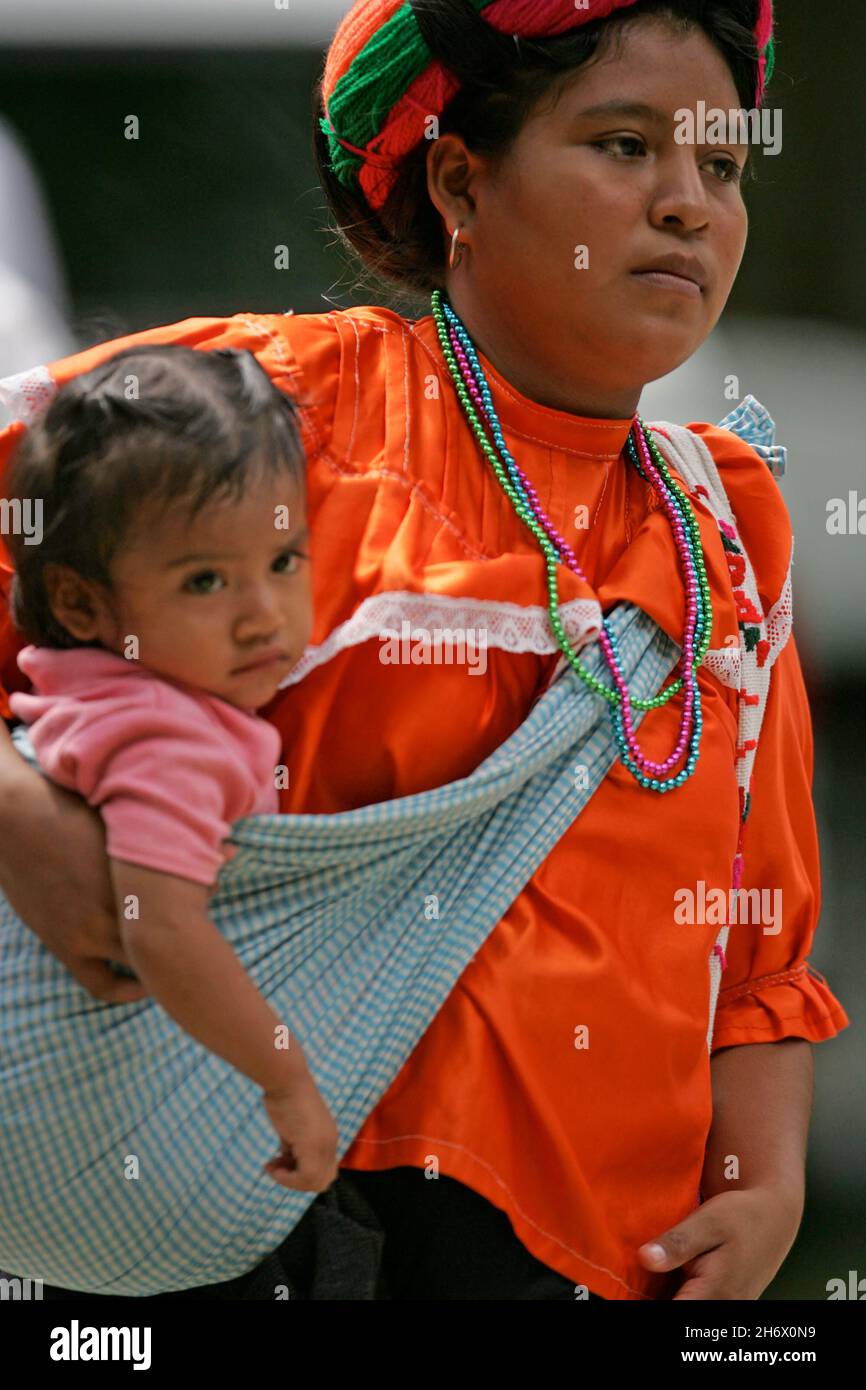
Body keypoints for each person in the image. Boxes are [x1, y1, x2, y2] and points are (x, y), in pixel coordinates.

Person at [0, 0, 850, 1300]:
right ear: (458, 177)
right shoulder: (253, 424)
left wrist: (766, 1183)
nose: (688, 204)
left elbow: (760, 960)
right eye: (624, 147)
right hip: (244, 1231)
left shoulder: (724, 539)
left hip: (594, 1264)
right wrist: (22, 815)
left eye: (722, 164)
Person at [2, 342, 340, 1195]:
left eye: (282, 561)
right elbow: (159, 927)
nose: (263, 615)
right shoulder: (168, 739)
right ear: (81, 603)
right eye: (203, 583)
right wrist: (286, 1077)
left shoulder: (98, 693)